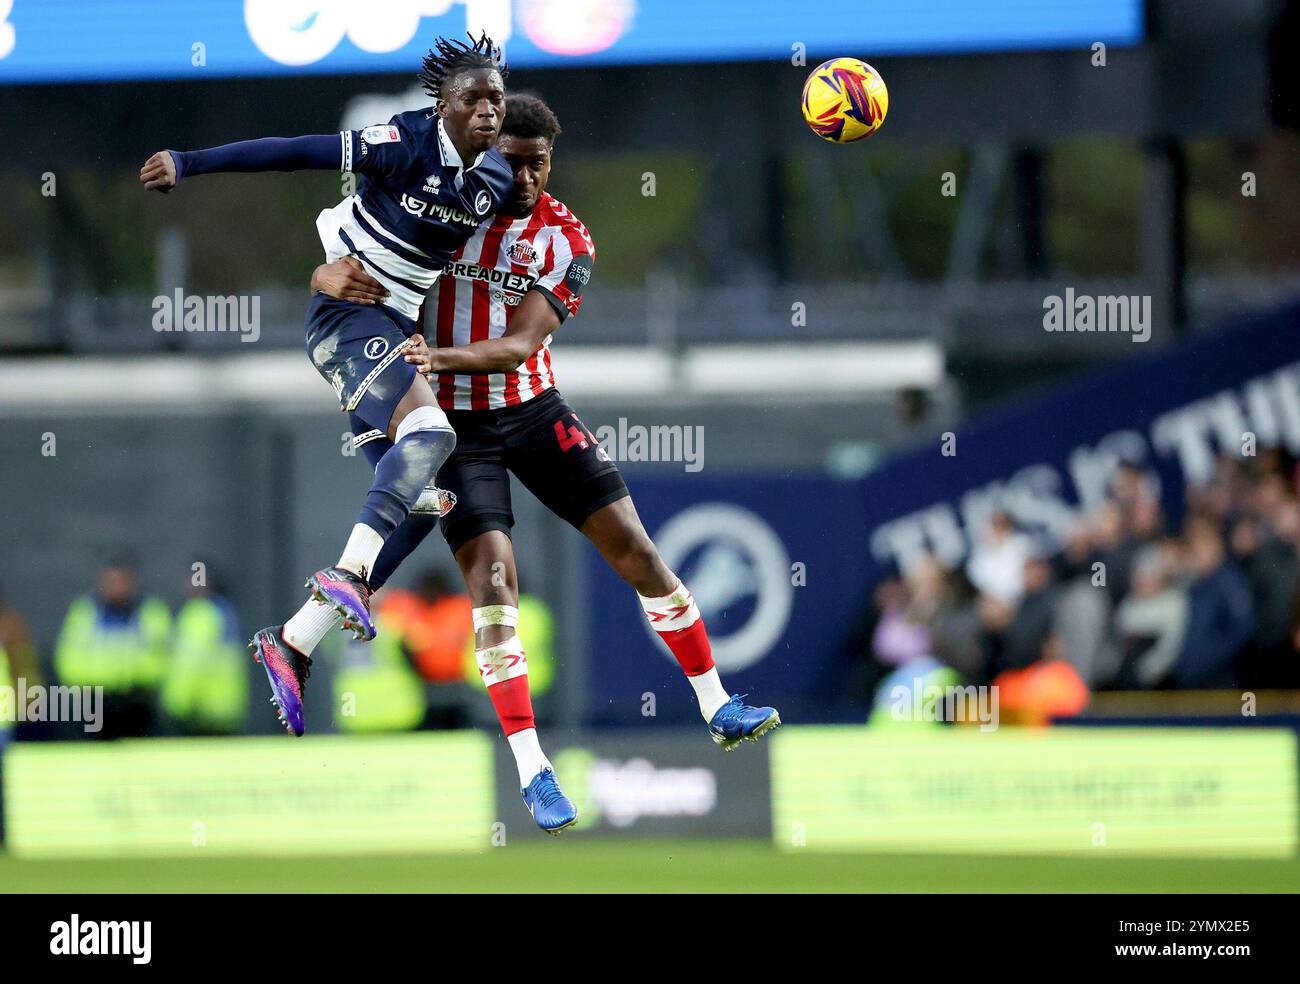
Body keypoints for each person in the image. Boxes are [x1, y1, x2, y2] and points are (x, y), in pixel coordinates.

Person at [311, 94, 780, 833]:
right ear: (488, 156)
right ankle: (534, 772)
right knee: (495, 586)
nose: (526, 177)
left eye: (540, 163)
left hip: (532, 410)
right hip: (452, 426)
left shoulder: (567, 239)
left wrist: (440, 353)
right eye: (512, 162)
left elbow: (524, 344)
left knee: (636, 550)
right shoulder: (441, 210)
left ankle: (717, 702)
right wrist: (324, 279)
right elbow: (349, 270)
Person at [139, 34, 514, 737]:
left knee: (432, 500)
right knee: (433, 433)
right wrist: (189, 164)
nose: (488, 108)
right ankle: (346, 576)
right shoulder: (404, 141)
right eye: (473, 97)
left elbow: (482, 256)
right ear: (443, 104)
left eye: (497, 96)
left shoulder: (493, 182)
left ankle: (295, 640)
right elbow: (295, 149)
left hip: (386, 338)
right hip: (346, 320)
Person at [55, 559, 171, 739]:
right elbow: (69, 656)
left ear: (131, 583)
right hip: (95, 700)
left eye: (121, 582)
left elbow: (161, 655)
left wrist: (140, 680)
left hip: (137, 700)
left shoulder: (150, 612)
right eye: (111, 582)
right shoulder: (85, 612)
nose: (116, 587)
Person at [161, 568, 249, 735]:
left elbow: (191, 663)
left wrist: (178, 704)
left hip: (199, 710)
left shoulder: (200, 613)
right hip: (226, 707)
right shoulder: (225, 611)